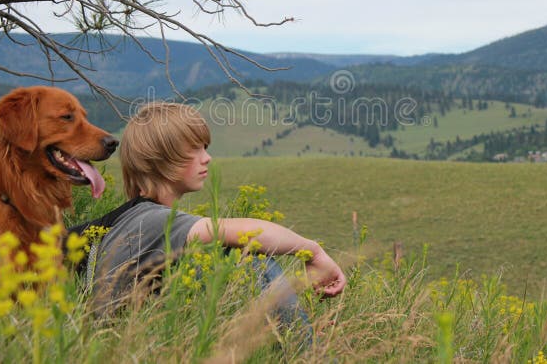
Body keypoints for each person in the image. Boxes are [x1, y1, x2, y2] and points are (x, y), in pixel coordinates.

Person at [70, 101, 346, 321]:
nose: (207, 158)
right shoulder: (153, 220)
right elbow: (250, 232)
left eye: (205, 147)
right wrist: (314, 252)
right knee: (251, 262)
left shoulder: (132, 217)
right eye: (195, 149)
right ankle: (307, 354)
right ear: (161, 158)